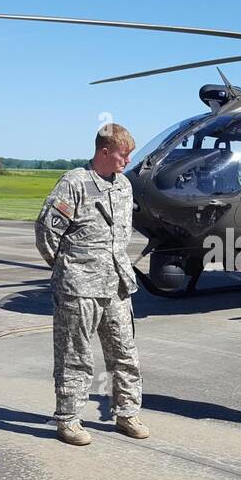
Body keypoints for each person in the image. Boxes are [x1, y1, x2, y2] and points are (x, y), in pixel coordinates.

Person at [36, 123, 148, 446]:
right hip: (79, 287)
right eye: (122, 155)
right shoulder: (75, 183)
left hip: (116, 285)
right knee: (75, 355)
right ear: (104, 151)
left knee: (125, 353)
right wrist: (69, 269)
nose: (127, 161)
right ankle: (69, 419)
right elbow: (46, 232)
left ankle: (127, 413)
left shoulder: (124, 185)